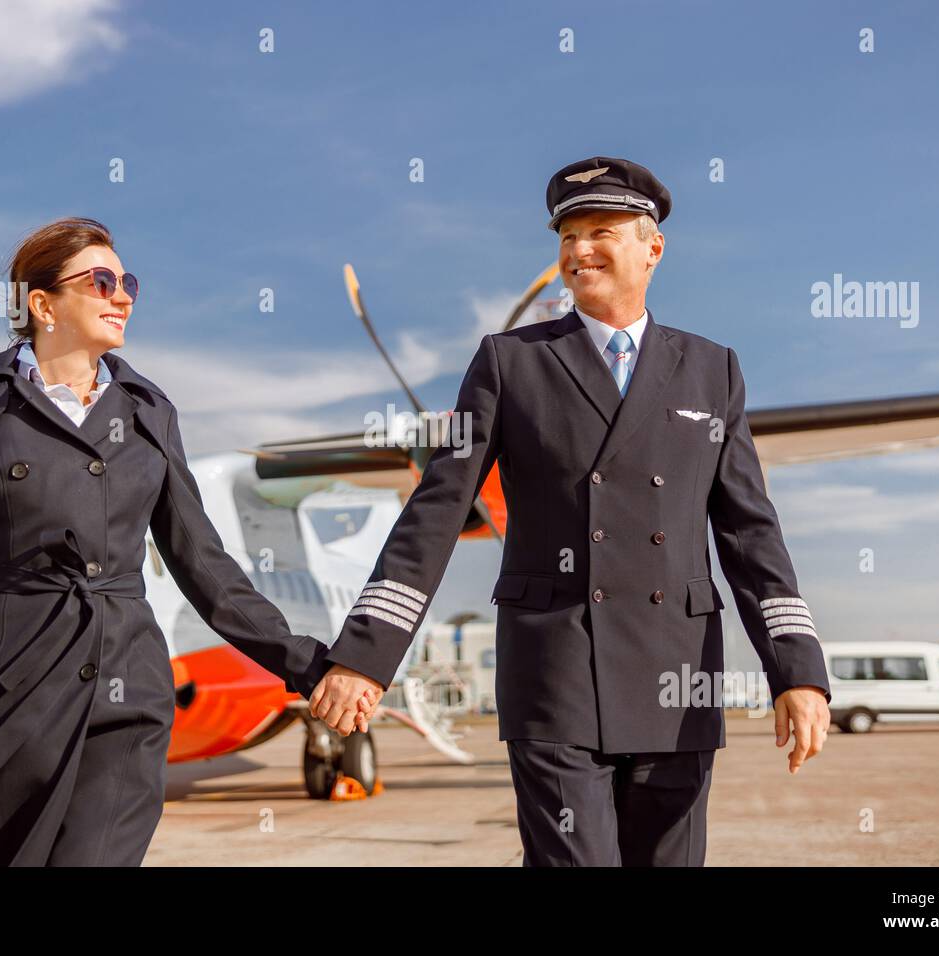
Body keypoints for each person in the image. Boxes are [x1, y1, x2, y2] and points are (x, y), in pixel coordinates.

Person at [311, 157, 832, 866]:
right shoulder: (508, 362)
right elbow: (434, 515)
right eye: (567, 235)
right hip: (555, 676)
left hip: (676, 678)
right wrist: (365, 657)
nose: (577, 249)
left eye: (599, 230)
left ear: (653, 248)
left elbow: (750, 534)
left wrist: (796, 670)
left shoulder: (715, 370)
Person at [0, 217, 375, 865]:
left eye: (126, 281)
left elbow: (205, 566)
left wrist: (311, 667)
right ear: (42, 304)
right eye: (101, 281)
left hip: (123, 696)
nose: (123, 295)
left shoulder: (147, 410)